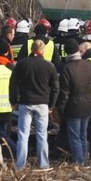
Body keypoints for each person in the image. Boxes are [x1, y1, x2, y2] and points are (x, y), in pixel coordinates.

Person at [14, 39, 59, 171]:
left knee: (23, 134)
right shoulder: (49, 66)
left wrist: (14, 101)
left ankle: (20, 165)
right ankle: (43, 164)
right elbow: (55, 88)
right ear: (43, 51)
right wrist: (52, 105)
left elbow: (13, 83)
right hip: (42, 104)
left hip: (25, 103)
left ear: (31, 49)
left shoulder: (22, 63)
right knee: (42, 135)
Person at [56, 39, 91, 166]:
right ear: (78, 50)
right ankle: (84, 160)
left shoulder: (67, 68)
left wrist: (61, 110)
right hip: (88, 104)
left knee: (75, 137)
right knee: (83, 135)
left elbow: (64, 93)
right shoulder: (89, 65)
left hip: (73, 107)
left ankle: (79, 163)